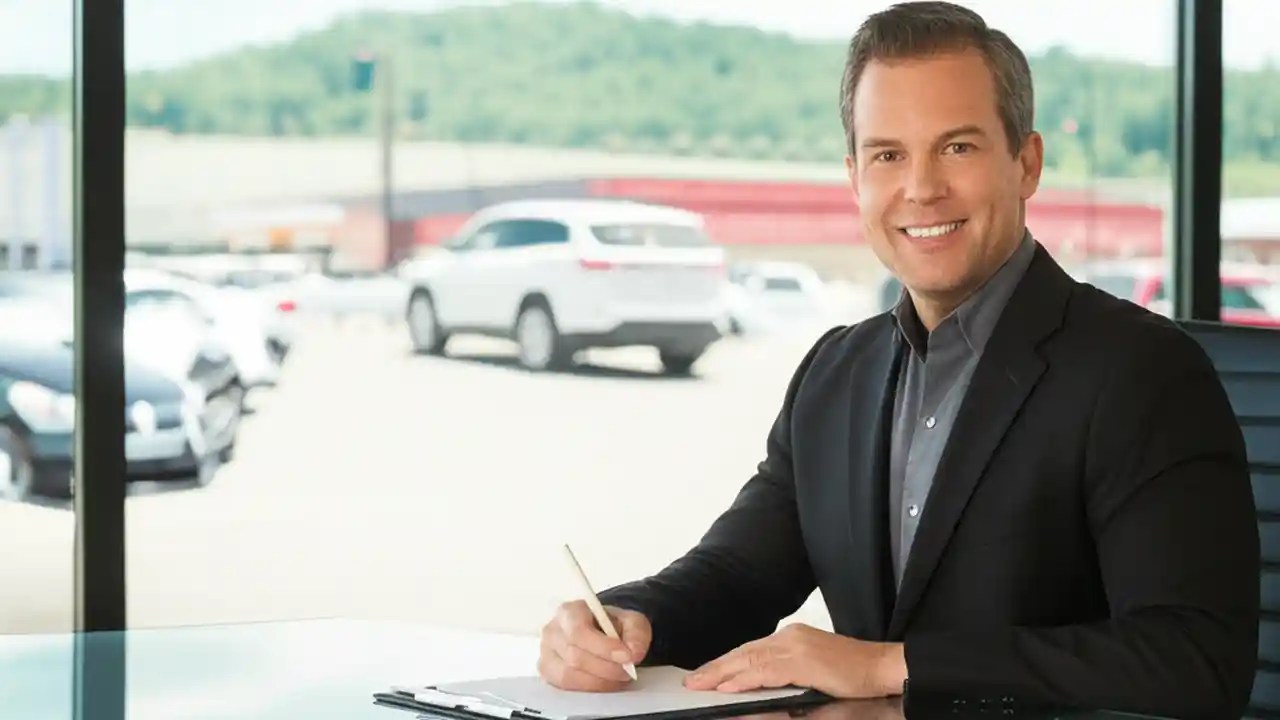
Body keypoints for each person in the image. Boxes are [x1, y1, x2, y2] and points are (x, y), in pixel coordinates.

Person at [536, 2, 1261, 717]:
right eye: (889, 155)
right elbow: (738, 575)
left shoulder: (1141, 372)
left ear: (1026, 163)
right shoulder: (835, 373)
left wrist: (890, 665)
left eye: (958, 147)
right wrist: (626, 622)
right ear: (855, 177)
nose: (921, 188)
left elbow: (1192, 659)